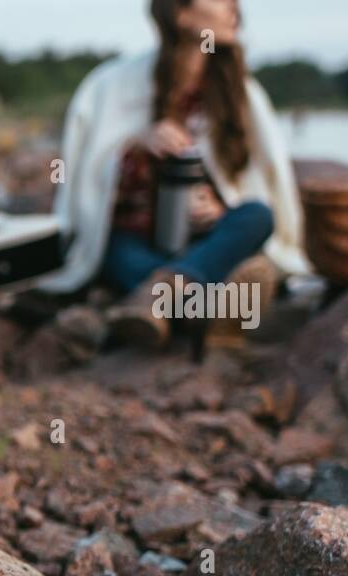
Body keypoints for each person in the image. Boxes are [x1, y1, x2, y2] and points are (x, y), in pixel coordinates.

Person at [40, 0, 309, 347]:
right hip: (136, 238)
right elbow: (87, 184)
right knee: (118, 255)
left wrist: (217, 207)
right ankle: (209, 307)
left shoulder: (241, 93)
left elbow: (253, 180)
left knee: (257, 216)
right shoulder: (114, 85)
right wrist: (134, 145)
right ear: (181, 14)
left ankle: (163, 297)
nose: (235, 9)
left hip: (203, 238)